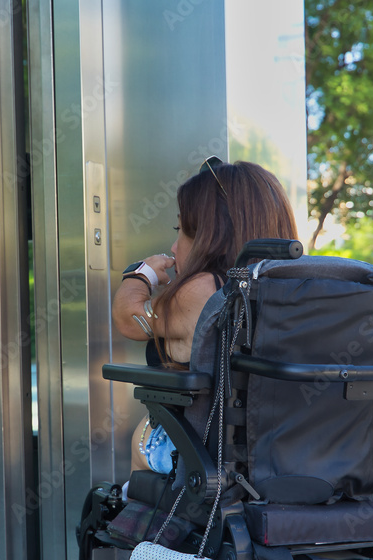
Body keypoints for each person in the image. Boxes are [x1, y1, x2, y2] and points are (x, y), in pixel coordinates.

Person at [112, 158, 298, 473]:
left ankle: (138, 504)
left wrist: (139, 275)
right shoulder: (290, 287)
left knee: (142, 435)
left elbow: (128, 318)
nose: (173, 246)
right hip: (283, 445)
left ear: (211, 236)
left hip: (215, 453)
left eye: (180, 231)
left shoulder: (205, 289)